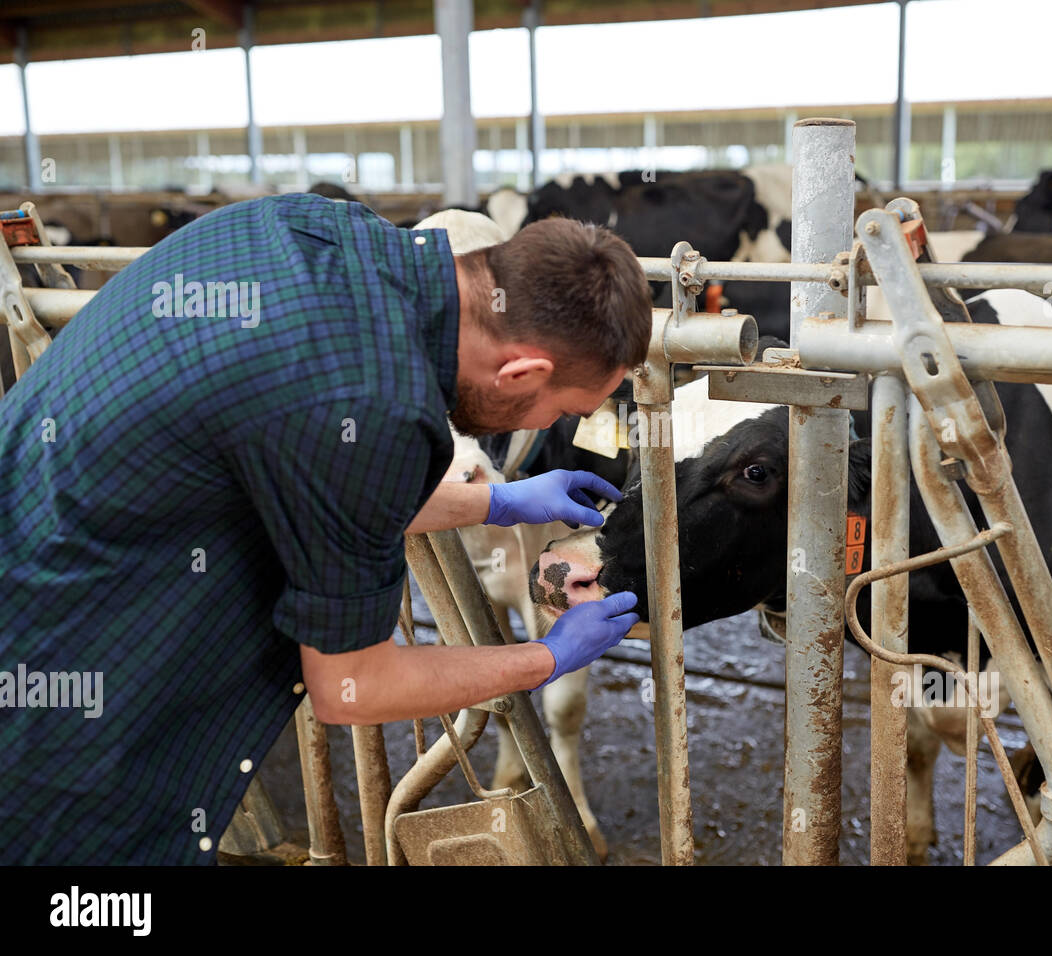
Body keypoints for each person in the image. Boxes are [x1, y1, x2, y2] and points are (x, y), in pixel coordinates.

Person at [0, 193, 651, 864]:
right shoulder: (378, 404)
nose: (546, 430)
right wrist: (545, 658)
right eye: (559, 410)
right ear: (522, 371)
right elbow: (351, 686)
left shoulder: (318, 229)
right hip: (64, 713)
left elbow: (318, 484)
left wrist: (499, 504)